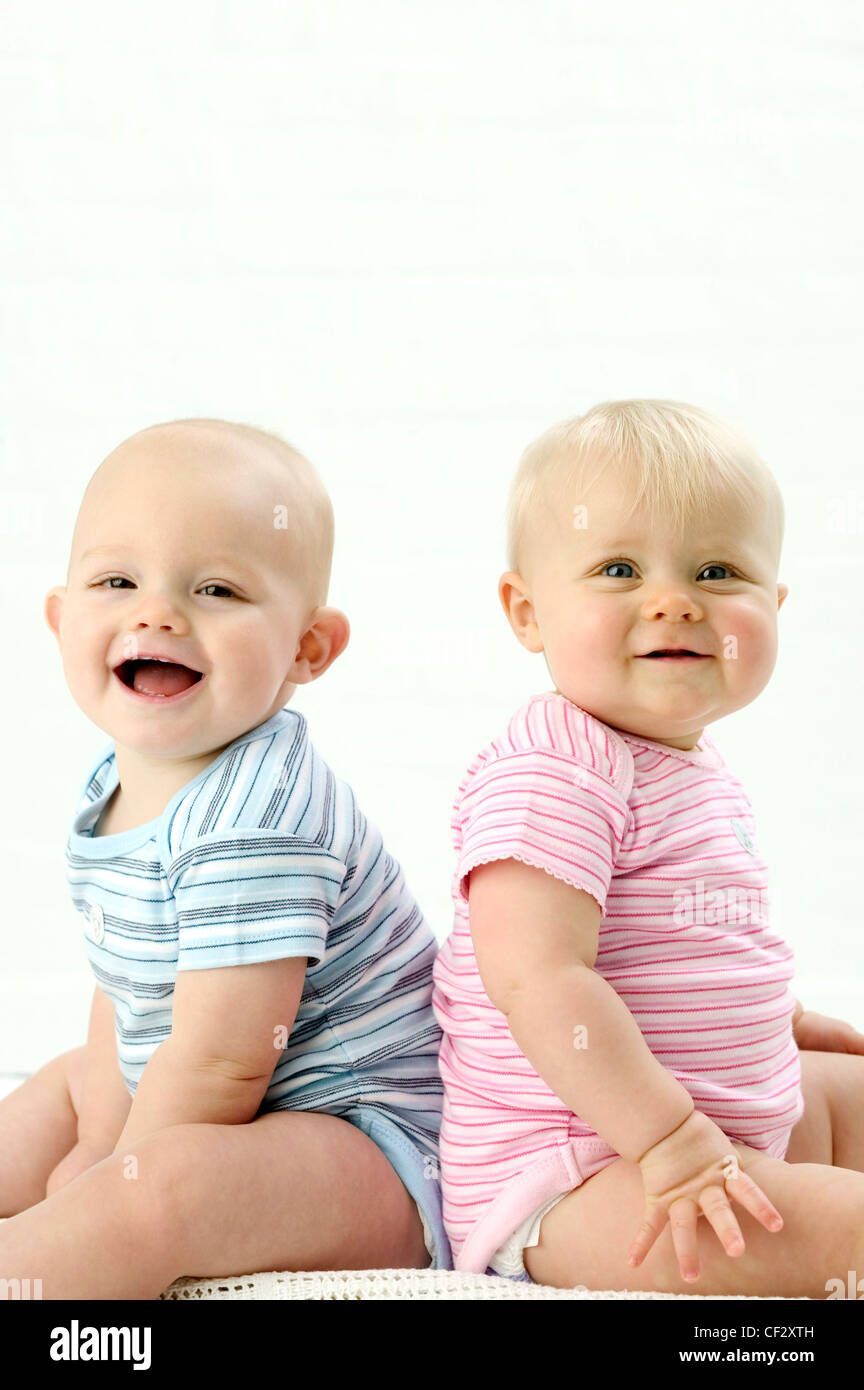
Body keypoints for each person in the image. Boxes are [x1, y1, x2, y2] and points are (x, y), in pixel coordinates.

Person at [0, 417, 449, 1297]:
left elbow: (222, 1061)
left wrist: (110, 1179)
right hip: (237, 1097)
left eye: (215, 589)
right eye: (117, 580)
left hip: (371, 1139)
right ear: (60, 622)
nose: (156, 611)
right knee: (67, 1087)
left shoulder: (258, 813)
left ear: (307, 647)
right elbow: (130, 990)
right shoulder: (120, 783)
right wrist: (95, 1135)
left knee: (166, 1190)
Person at [432, 398, 864, 1296]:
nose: (673, 601)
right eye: (619, 568)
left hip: (716, 1129)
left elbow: (677, 956)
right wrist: (668, 1139)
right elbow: (539, 979)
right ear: (528, 612)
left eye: (716, 571)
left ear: (773, 606)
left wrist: (776, 1025)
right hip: (581, 1173)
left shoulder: (693, 767)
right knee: (845, 1236)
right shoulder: (560, 757)